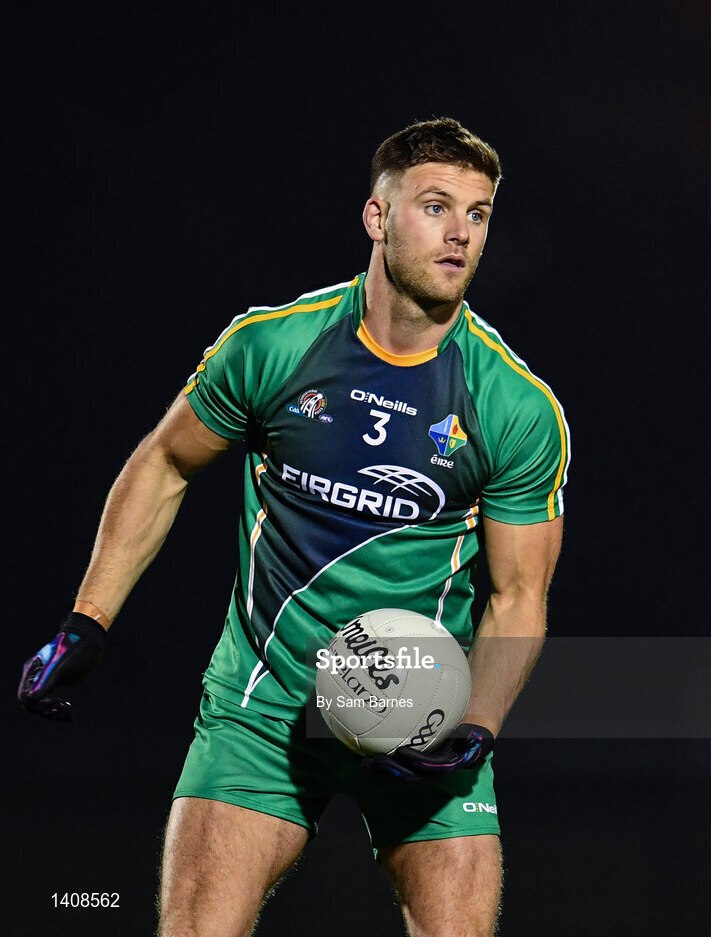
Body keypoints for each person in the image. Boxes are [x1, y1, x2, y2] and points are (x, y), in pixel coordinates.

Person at [18, 117, 570, 937]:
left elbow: (518, 595)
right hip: (264, 701)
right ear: (377, 219)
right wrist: (86, 620)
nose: (460, 233)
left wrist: (476, 727)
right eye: (434, 206)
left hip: (419, 709)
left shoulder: (515, 406)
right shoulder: (273, 346)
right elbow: (166, 464)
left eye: (478, 214)